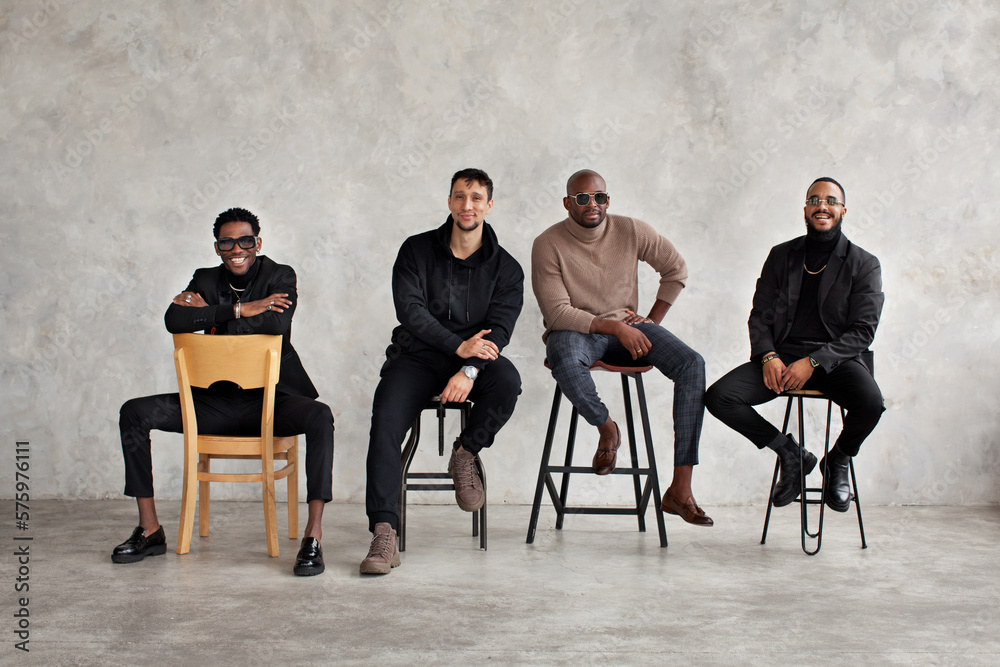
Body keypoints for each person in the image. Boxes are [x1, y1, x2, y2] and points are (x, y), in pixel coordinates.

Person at [113, 207, 335, 576]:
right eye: (227, 242)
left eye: (245, 240)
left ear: (257, 243)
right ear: (217, 247)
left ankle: (313, 536)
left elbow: (277, 324)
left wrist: (213, 316)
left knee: (321, 416)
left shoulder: (280, 275)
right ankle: (150, 529)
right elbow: (174, 320)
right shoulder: (204, 277)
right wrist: (241, 308)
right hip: (211, 403)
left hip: (269, 402)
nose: (237, 249)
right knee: (133, 412)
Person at [361, 168, 524, 575]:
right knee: (385, 422)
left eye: (475, 198)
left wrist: (468, 368)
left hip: (473, 360)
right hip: (416, 356)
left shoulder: (508, 268)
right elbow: (410, 312)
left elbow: (500, 331)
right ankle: (384, 533)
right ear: (449, 201)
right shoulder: (415, 250)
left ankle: (465, 453)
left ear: (489, 204)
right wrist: (456, 345)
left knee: (508, 381)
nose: (467, 205)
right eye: (459, 196)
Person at [531, 169, 712, 527]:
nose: (592, 204)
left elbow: (675, 270)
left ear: (607, 200)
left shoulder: (631, 230)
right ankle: (607, 429)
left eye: (599, 197)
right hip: (576, 330)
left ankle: (680, 489)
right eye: (582, 198)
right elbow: (557, 311)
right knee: (563, 358)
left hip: (626, 331)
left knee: (692, 364)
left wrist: (651, 323)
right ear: (568, 203)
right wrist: (612, 325)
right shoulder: (547, 243)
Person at [705, 177, 884, 512]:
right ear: (805, 209)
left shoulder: (864, 263)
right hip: (783, 356)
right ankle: (791, 454)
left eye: (830, 201)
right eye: (814, 200)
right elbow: (759, 315)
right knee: (719, 397)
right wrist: (769, 356)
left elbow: (863, 331)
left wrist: (813, 362)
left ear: (842, 210)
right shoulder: (781, 256)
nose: (822, 206)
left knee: (871, 403)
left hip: (836, 361)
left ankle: (838, 460)